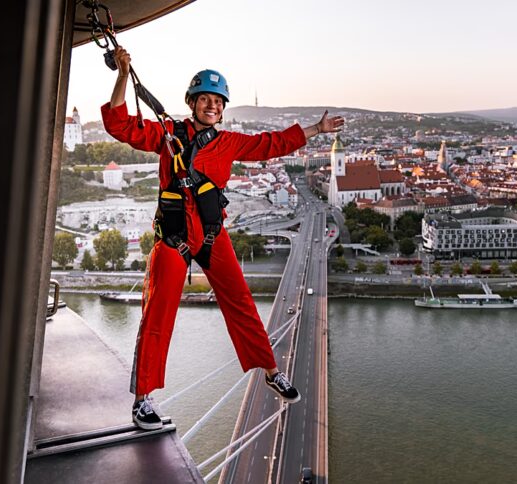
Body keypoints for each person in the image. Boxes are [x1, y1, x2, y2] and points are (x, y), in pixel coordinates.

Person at [101, 46, 344, 430]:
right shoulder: (167, 136)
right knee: (158, 312)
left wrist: (317, 129)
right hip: (175, 236)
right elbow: (120, 126)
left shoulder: (229, 142)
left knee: (242, 304)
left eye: (218, 101)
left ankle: (269, 370)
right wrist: (121, 75)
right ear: (193, 103)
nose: (212, 106)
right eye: (206, 100)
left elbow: (271, 144)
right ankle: (143, 399)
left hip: (212, 236)